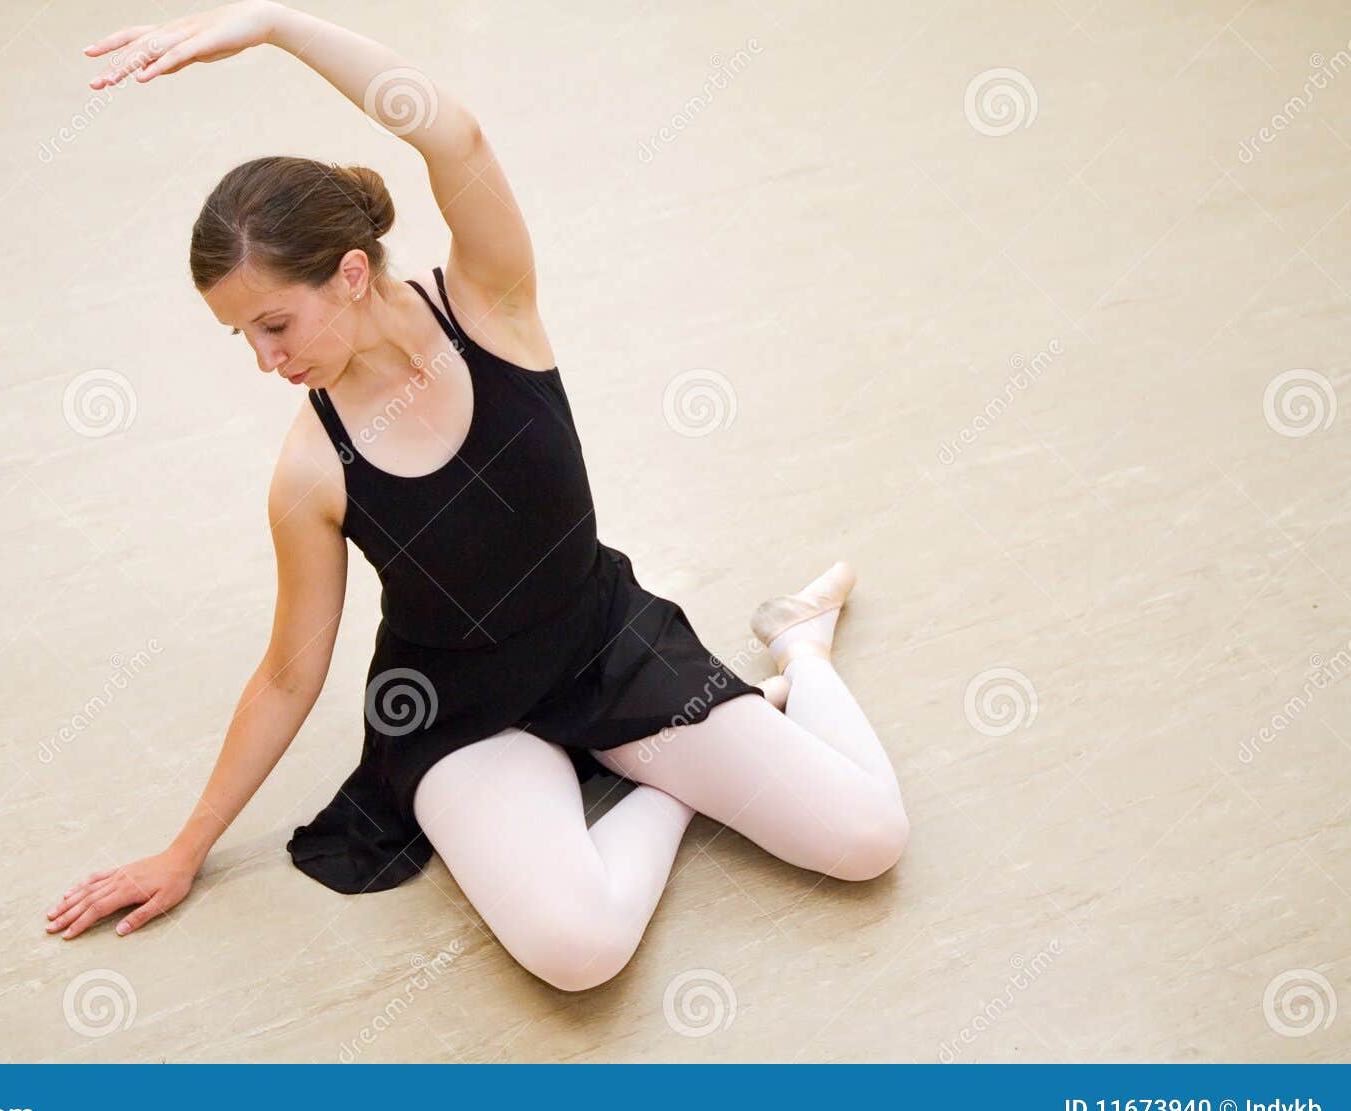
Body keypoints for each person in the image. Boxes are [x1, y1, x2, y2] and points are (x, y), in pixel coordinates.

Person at [45, 1, 908, 992]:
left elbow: (450, 132)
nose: (262, 360)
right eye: (241, 335)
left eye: (275, 324)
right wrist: (184, 846)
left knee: (867, 837)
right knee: (580, 952)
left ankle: (796, 645)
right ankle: (673, 783)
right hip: (458, 712)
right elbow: (288, 675)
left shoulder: (490, 303)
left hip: (604, 642)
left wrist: (276, 25)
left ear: (352, 271)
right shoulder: (309, 470)